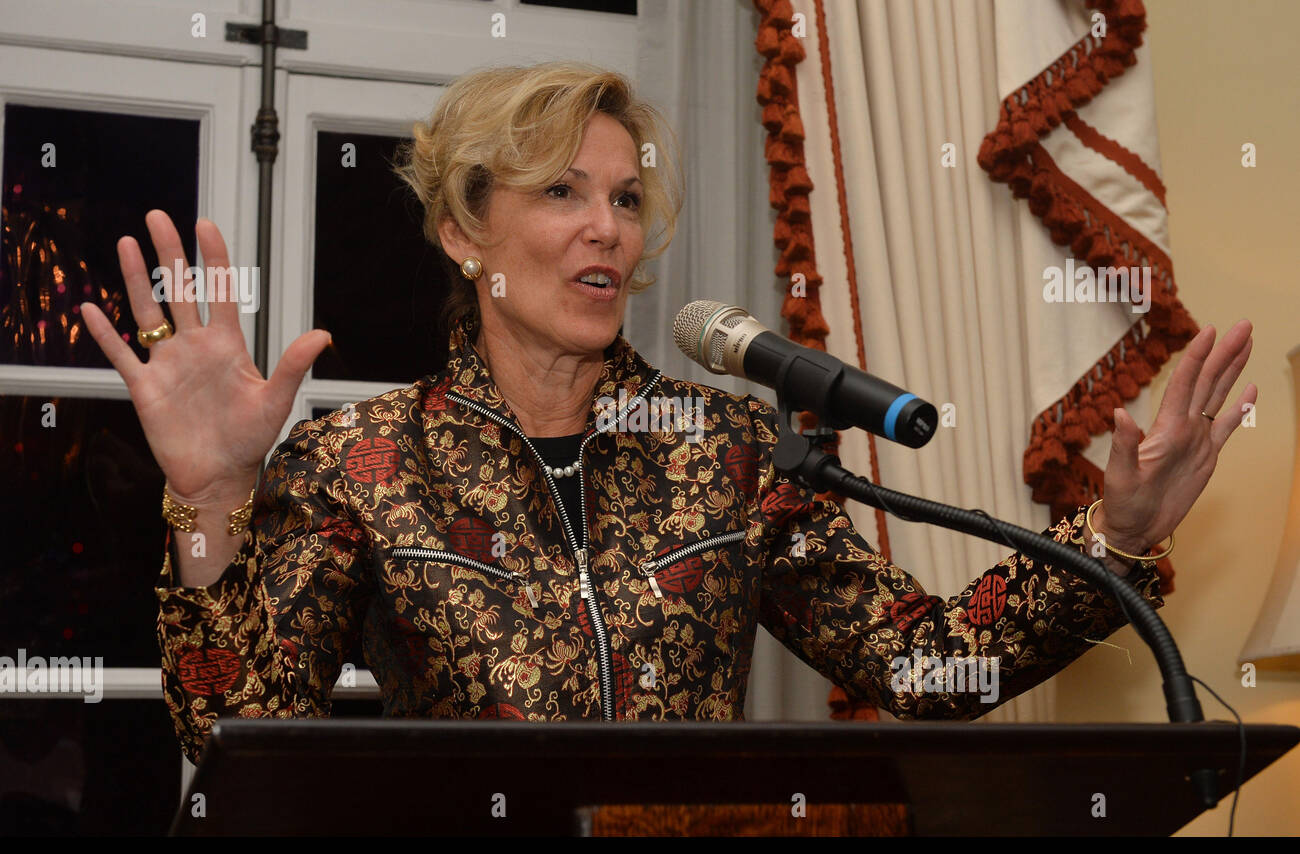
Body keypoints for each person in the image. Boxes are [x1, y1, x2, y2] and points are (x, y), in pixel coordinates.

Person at [83, 62, 1255, 766]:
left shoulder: (727, 448)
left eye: (627, 198)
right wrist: (214, 495)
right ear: (461, 232)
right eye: (561, 193)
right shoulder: (363, 460)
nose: (608, 227)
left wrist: (1122, 536)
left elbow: (922, 662)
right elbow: (232, 727)